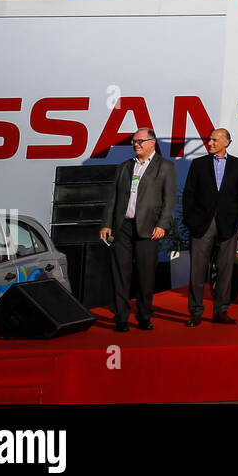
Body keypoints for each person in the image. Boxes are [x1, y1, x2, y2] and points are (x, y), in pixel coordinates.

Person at [100, 128, 177, 332]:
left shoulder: (166, 167)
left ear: (152, 143)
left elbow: (169, 200)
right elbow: (113, 197)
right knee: (120, 274)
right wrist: (107, 223)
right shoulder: (125, 166)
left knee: (145, 274)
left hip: (149, 227)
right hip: (122, 226)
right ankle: (121, 318)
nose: (136, 144)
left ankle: (144, 316)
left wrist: (162, 225)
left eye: (140, 141)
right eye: (134, 141)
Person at [181, 128, 238, 326]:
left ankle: (221, 311)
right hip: (202, 224)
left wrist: (237, 221)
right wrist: (191, 220)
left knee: (225, 270)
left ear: (226, 142)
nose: (209, 143)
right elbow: (189, 194)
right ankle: (195, 312)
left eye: (214, 140)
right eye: (209, 139)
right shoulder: (198, 164)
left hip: (228, 225)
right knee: (197, 270)